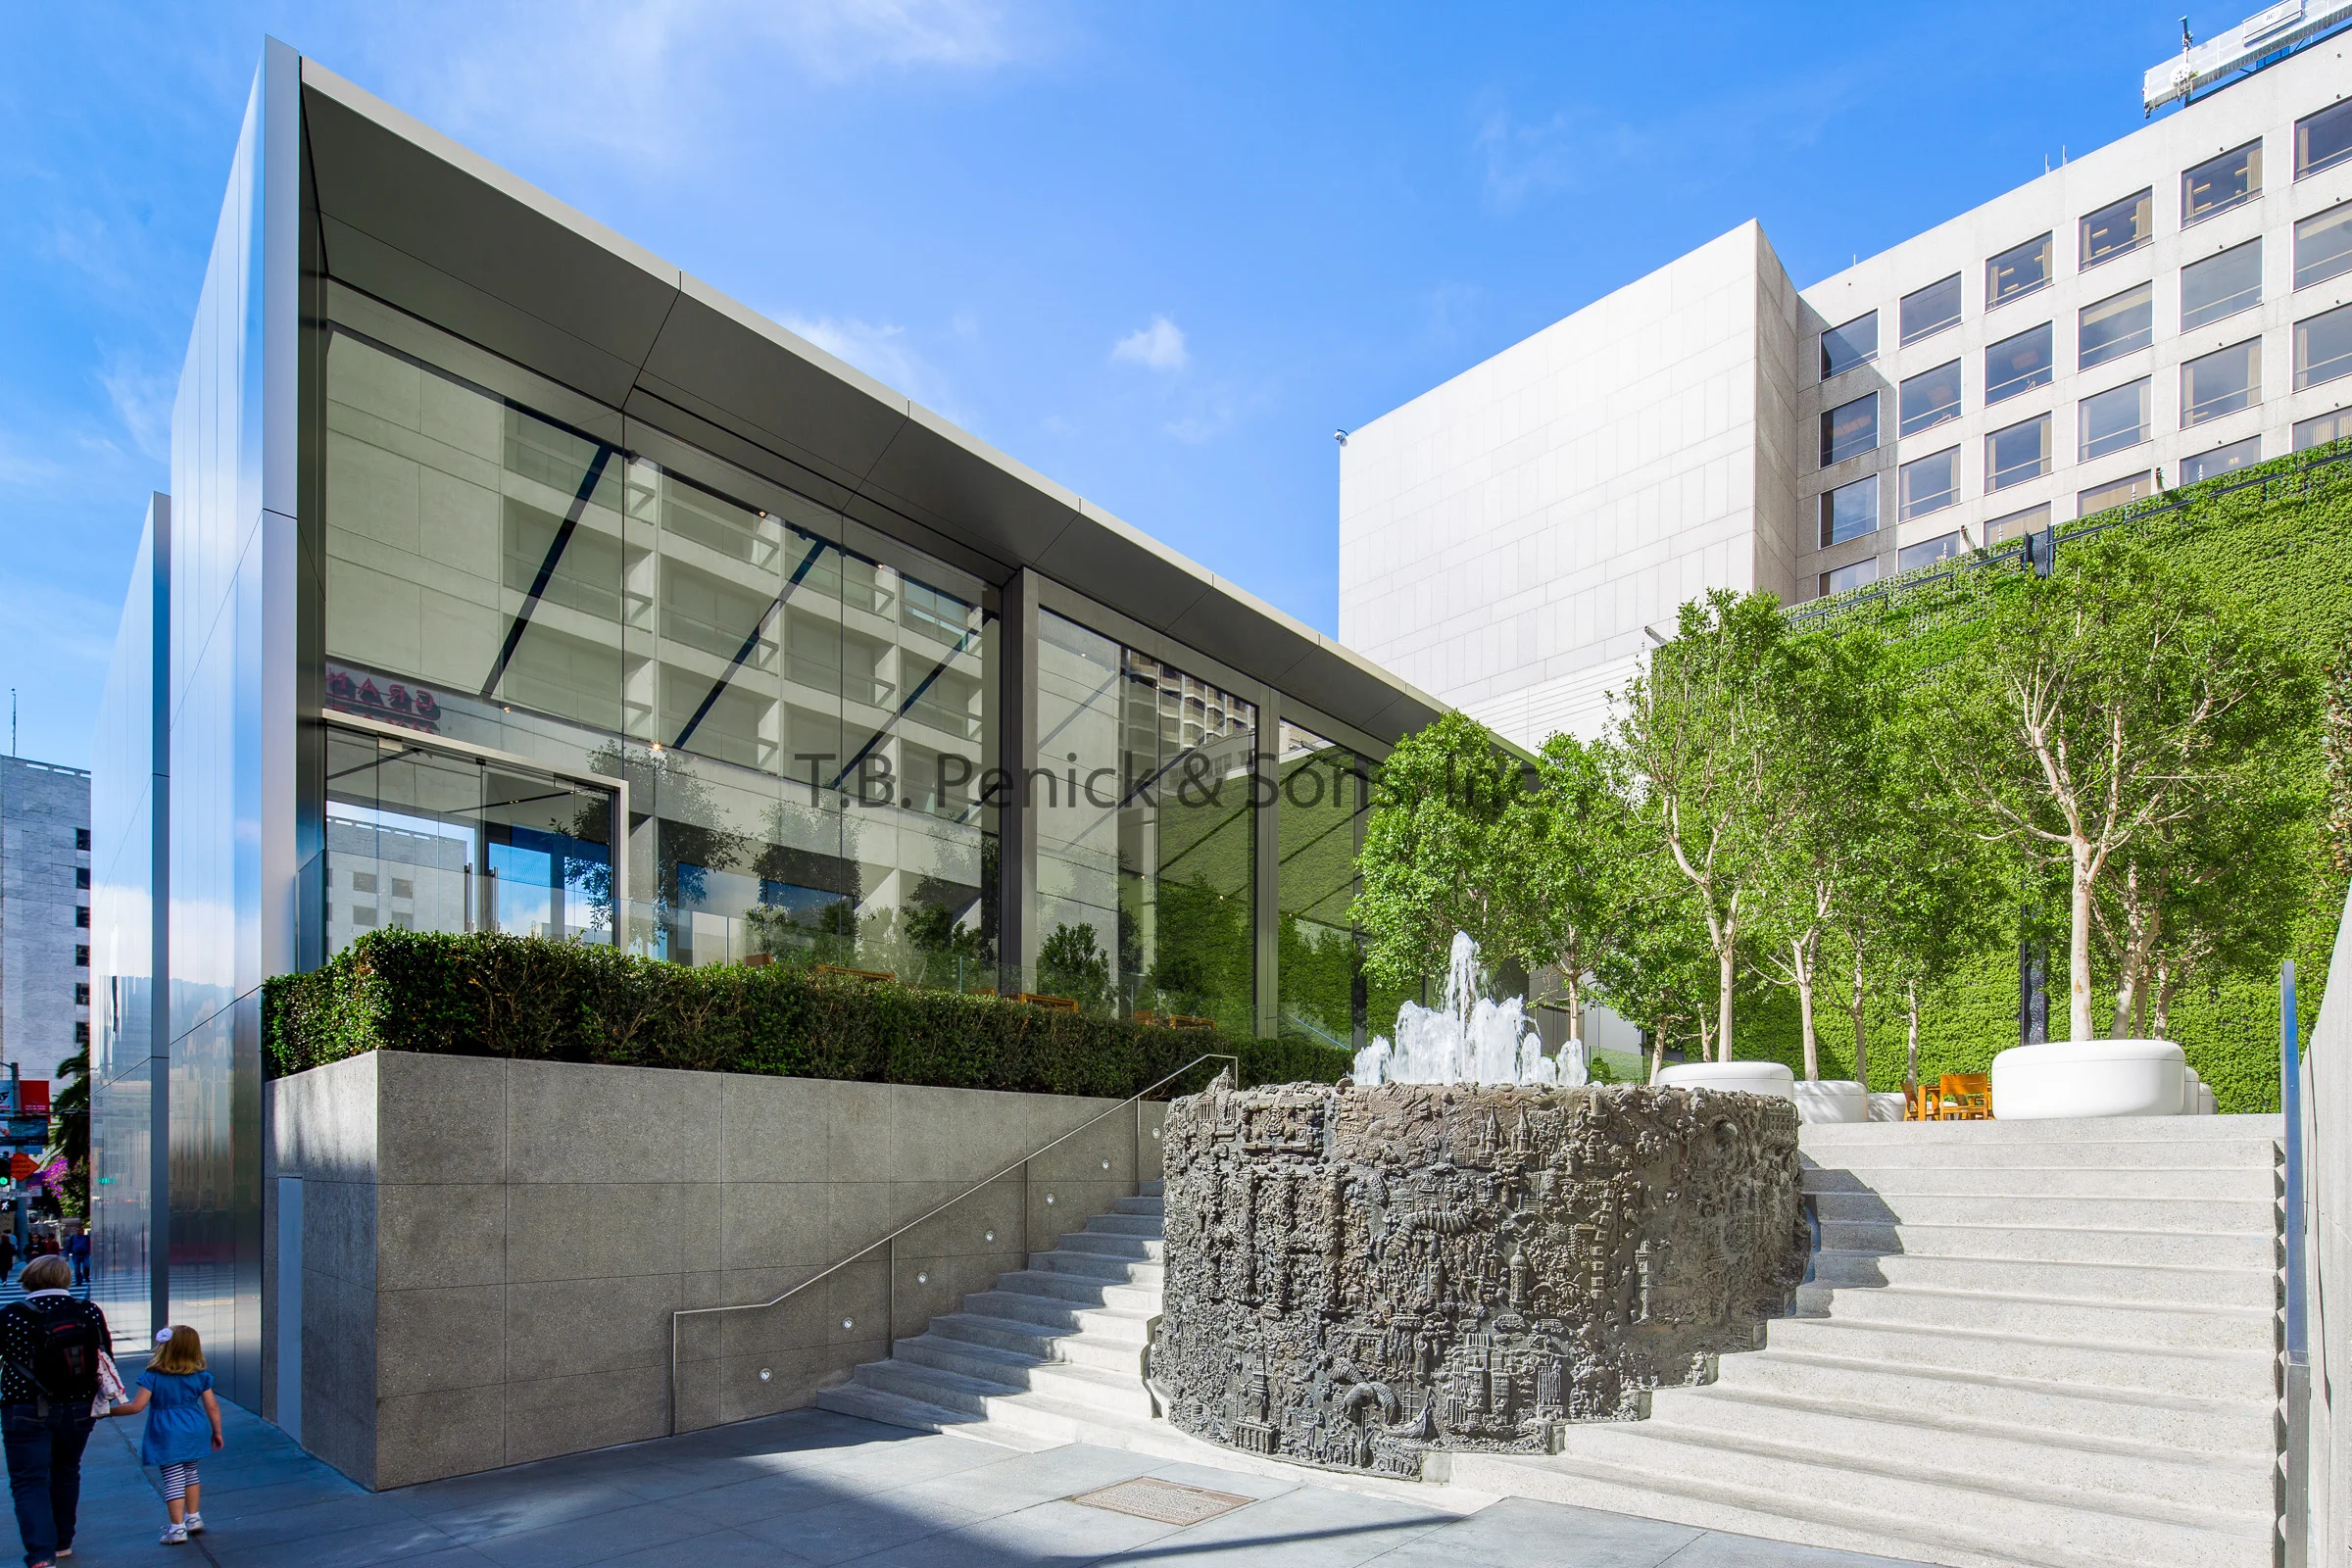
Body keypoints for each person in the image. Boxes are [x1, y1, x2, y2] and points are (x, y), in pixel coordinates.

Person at [0, 1255, 109, 1568]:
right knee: (67, 1470)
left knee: (29, 1481)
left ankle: (41, 1555)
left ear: (28, 1279)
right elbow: (105, 1357)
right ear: (66, 1278)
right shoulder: (88, 1311)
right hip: (79, 1407)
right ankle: (63, 1542)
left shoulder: (12, 1314)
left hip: (24, 1406)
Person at [108, 1324, 220, 1547]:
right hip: (195, 1427)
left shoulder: (153, 1376)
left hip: (167, 1431)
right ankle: (193, 1517)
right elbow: (212, 1406)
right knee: (191, 1472)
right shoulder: (200, 1376)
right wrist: (217, 1431)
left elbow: (137, 1406)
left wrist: (107, 1412)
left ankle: (177, 1528)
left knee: (173, 1478)